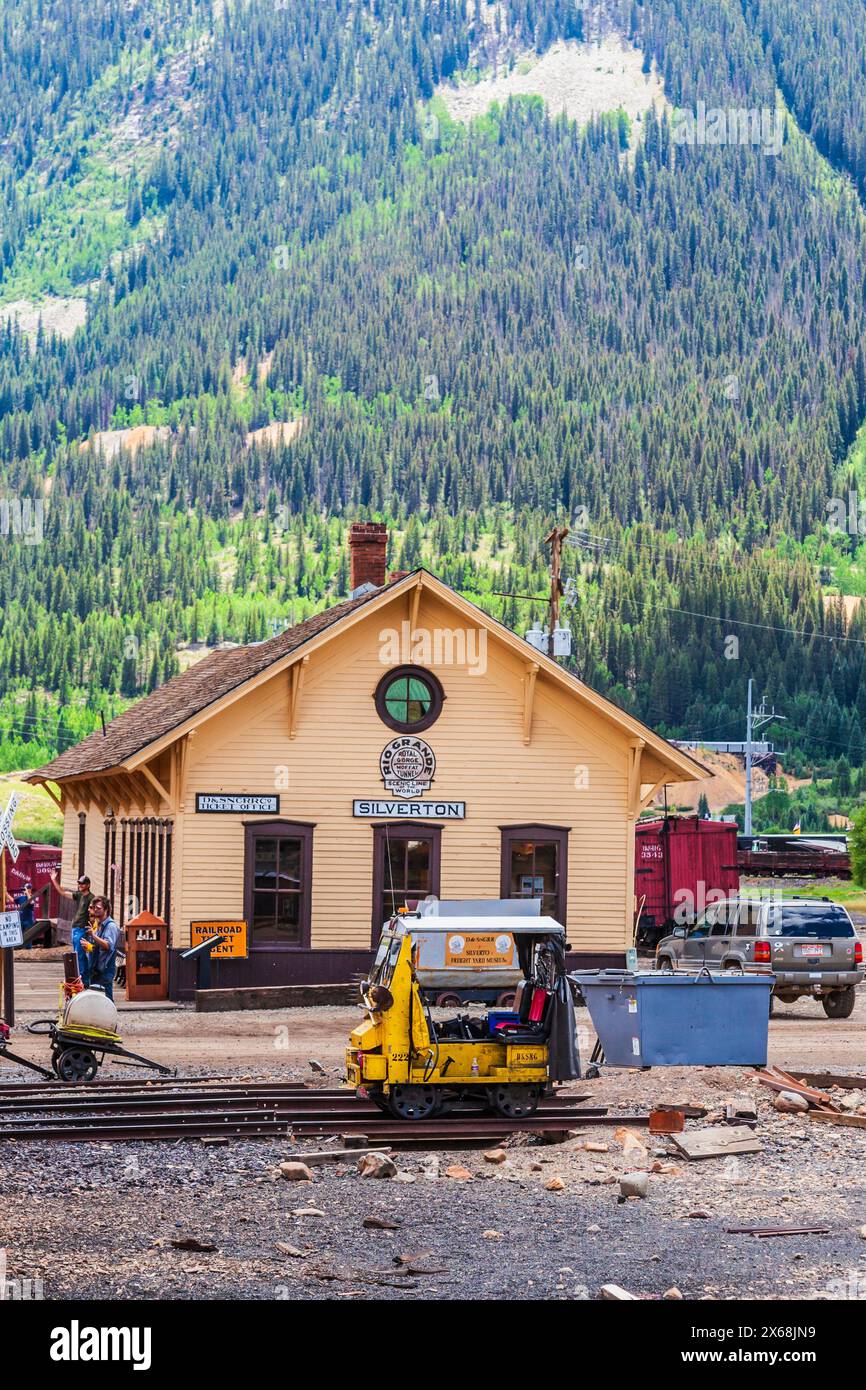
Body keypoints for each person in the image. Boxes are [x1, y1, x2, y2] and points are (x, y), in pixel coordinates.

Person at [49, 871, 94, 986]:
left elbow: (93, 915)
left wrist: (92, 928)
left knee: (81, 955)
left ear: (88, 885)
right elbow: (62, 893)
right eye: (79, 883)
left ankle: (85, 982)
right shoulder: (78, 895)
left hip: (82, 929)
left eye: (82, 884)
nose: (80, 885)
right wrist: (54, 880)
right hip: (75, 928)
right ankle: (81, 979)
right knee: (76, 954)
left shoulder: (91, 898)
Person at [86, 896, 121, 1002]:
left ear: (106, 910)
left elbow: (108, 945)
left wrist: (93, 935)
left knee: (107, 1001)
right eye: (94, 907)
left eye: (98, 908)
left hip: (105, 969)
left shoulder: (111, 926)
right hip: (97, 968)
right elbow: (98, 946)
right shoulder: (100, 925)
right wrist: (89, 947)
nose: (95, 910)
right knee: (96, 1001)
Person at [13, 881, 36, 948]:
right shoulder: (21, 897)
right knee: (20, 937)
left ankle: (29, 950)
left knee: (28, 937)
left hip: (28, 921)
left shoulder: (32, 897)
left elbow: (31, 902)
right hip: (21, 920)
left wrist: (28, 893)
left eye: (25, 889)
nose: (24, 890)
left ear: (29, 889)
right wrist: (5, 893)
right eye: (23, 889)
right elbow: (13, 900)